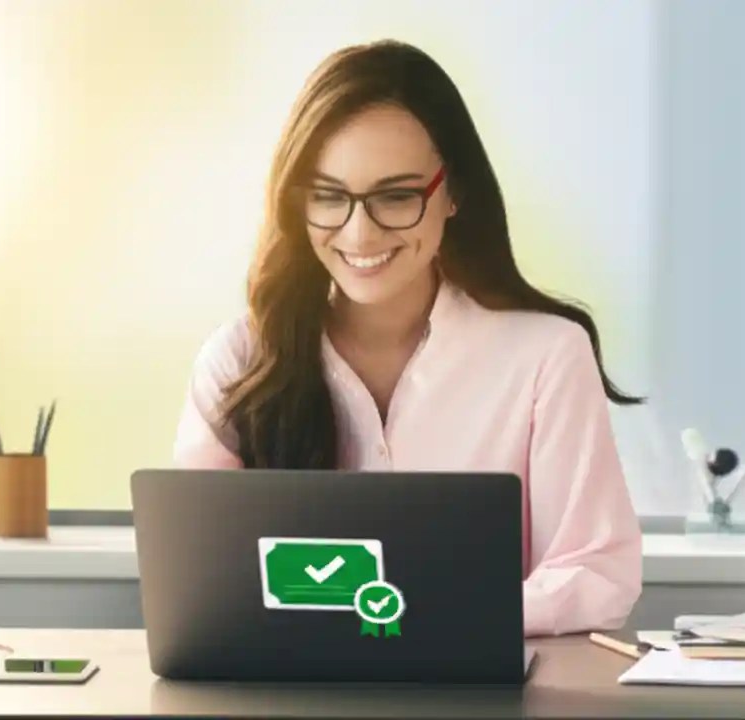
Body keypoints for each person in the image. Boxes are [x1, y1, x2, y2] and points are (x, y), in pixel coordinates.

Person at [173, 39, 642, 637]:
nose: (359, 232)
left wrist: (435, 619)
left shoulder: (546, 356)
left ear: (454, 193)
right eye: (329, 197)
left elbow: (595, 573)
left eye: (396, 197)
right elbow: (198, 580)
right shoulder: (239, 361)